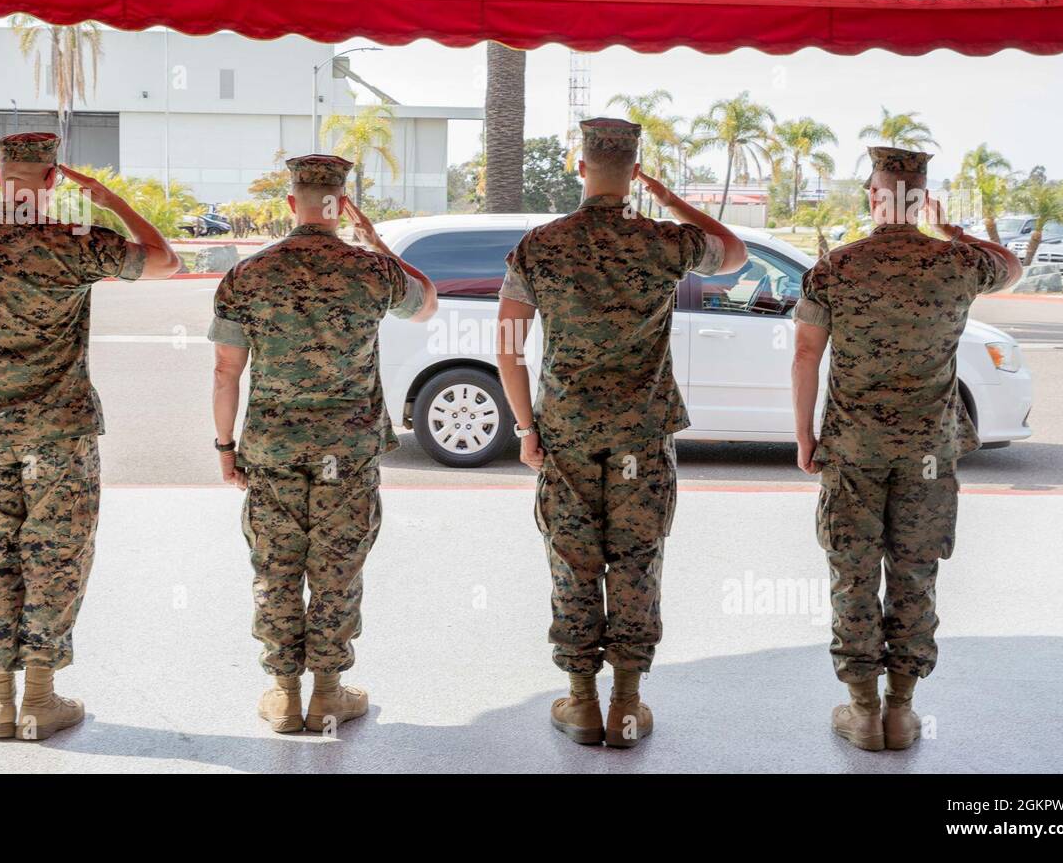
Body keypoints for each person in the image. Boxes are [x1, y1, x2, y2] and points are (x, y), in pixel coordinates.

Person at [0, 132, 180, 740]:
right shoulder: (75, 241)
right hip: (61, 432)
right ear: (54, 179)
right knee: (56, 557)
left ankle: (0, 704)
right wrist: (109, 200)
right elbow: (165, 261)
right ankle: (41, 698)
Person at [496, 118, 746, 748]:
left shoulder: (540, 246)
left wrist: (526, 427)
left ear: (581, 168)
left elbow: (508, 348)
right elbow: (734, 254)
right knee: (637, 561)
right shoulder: (664, 241)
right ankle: (627, 706)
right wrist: (668, 200)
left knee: (573, 561)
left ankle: (581, 704)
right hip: (642, 437)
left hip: (567, 435)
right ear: (634, 170)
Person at [791, 146, 1022, 751]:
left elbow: (806, 355)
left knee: (853, 573)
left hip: (853, 450)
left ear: (872, 196)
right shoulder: (958, 263)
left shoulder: (836, 267)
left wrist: (804, 436)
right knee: (915, 574)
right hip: (928, 453)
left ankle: (862, 712)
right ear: (922, 200)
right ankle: (901, 710)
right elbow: (1013, 266)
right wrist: (952, 230)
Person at [209, 154, 438, 734]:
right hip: (349, 451)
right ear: (342, 204)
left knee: (276, 566)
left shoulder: (249, 274)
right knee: (337, 568)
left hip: (271, 450)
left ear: (292, 203)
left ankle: (285, 695)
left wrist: (224, 446)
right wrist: (375, 240)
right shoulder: (371, 270)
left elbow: (224, 372)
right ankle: (329, 694)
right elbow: (427, 302)